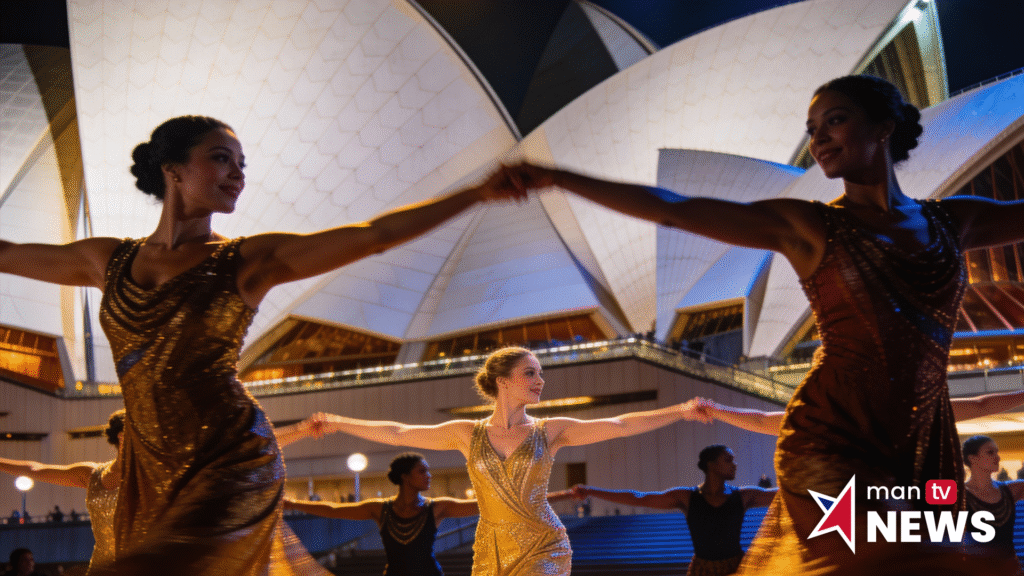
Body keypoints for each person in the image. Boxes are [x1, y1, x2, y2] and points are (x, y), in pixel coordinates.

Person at [504, 75, 1024, 573]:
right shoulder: (809, 224)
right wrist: (557, 177)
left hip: (923, 439)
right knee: (867, 561)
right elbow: (677, 209)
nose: (818, 139)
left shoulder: (953, 221)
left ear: (884, 125)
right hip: (833, 433)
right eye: (812, 128)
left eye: (835, 121)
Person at [0, 115, 518, 576]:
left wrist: (476, 193)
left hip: (232, 454)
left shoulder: (245, 260)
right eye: (221, 159)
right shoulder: (106, 259)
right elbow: (10, 253)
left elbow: (373, 234)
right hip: (152, 465)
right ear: (172, 168)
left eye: (242, 164)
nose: (237, 174)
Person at [300, 346, 708, 576]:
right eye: (530, 373)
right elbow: (399, 433)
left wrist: (681, 409)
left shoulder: (550, 430)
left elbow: (619, 423)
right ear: (502, 381)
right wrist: (340, 422)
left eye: (540, 374)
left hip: (543, 544)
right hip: (492, 550)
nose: (540, 381)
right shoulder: (466, 433)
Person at [284, 452, 574, 575]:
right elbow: (333, 509)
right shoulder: (379, 509)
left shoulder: (438, 507)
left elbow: (499, 503)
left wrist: (560, 495)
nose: (429, 475)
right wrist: (293, 504)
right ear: (405, 476)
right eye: (423, 471)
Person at [573, 445, 775, 576]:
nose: (735, 465)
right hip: (702, 570)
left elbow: (782, 494)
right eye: (728, 460)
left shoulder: (743, 496)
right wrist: (591, 491)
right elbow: (638, 497)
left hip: (736, 569)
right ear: (711, 465)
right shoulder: (687, 497)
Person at [0, 410, 125, 571]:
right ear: (121, 437)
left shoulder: (149, 479)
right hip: (103, 567)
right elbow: (35, 469)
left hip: (145, 566)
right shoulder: (94, 475)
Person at [961, 436, 1024, 575]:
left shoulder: (1010, 490)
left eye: (997, 452)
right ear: (972, 458)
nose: (998, 457)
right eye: (990, 452)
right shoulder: (959, 496)